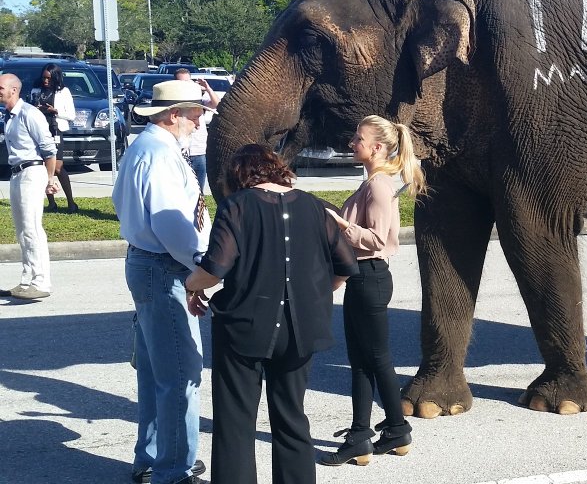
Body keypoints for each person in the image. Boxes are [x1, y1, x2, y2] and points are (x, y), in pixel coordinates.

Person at [184, 144, 360, 484]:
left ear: (240, 176)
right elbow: (346, 266)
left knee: (235, 421)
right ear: (277, 169)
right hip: (300, 329)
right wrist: (317, 293)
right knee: (292, 418)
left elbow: (216, 268)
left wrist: (192, 286)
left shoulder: (237, 206)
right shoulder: (313, 206)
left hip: (243, 327)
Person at [112, 79, 214, 484]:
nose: (198, 121)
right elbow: (172, 223)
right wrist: (199, 269)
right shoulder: (160, 154)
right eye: (195, 114)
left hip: (150, 263)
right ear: (175, 115)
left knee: (157, 371)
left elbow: (125, 204)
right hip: (165, 266)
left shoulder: (148, 147)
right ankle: (174, 470)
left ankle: (156, 457)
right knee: (180, 375)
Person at [319, 115, 424, 467]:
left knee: (375, 358)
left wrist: (341, 224)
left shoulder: (378, 185)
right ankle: (366, 433)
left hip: (370, 276)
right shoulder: (374, 183)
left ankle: (393, 428)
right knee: (363, 360)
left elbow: (379, 240)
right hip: (363, 277)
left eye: (358, 138)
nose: (352, 142)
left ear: (376, 148)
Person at [0, 74, 60, 301]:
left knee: (32, 228)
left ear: (14, 90)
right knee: (22, 231)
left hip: (32, 172)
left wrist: (50, 178)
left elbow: (48, 148)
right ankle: (27, 281)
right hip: (17, 174)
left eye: (1, 87)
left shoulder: (29, 113)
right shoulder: (10, 115)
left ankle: (42, 281)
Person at [30, 63, 78, 213]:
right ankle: (51, 203)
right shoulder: (37, 90)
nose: (45, 81)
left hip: (56, 130)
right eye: (44, 78)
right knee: (44, 168)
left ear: (55, 78)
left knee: (57, 168)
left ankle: (71, 202)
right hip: (40, 132)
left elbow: (71, 115)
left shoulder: (63, 92)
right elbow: (30, 109)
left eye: (49, 78)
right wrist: (36, 109)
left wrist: (55, 111)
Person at [174, 68, 220, 193]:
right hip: (179, 152)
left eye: (188, 82)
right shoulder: (171, 102)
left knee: (198, 189)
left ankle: (197, 211)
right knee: (181, 189)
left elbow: (216, 104)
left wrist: (207, 88)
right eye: (181, 83)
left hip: (198, 151)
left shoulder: (198, 99)